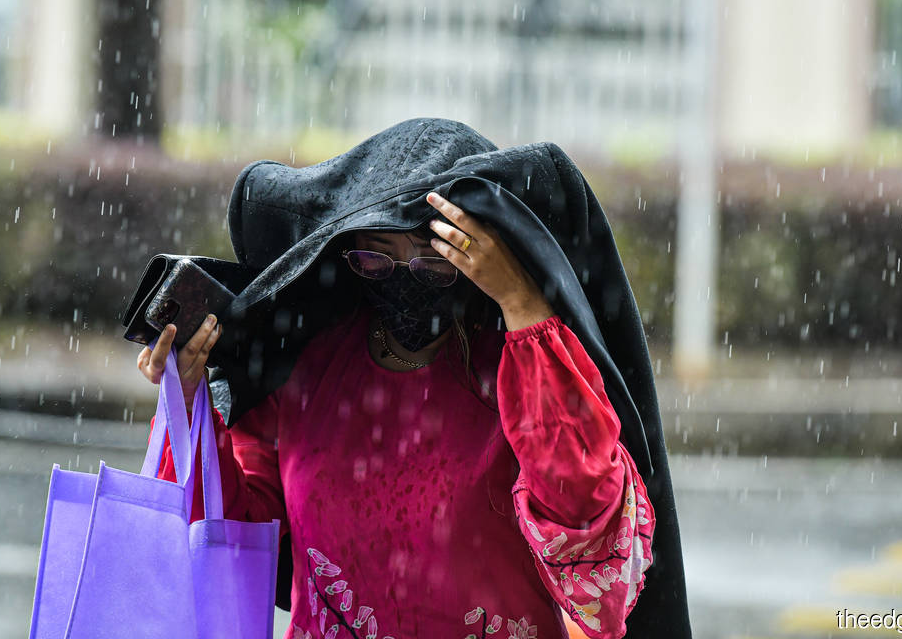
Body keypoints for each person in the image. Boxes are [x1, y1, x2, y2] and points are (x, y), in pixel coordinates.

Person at [137, 190, 655, 639]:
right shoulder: (306, 363)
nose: (405, 279)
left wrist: (521, 300)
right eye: (376, 259)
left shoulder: (521, 365)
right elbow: (230, 539)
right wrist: (185, 400)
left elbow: (585, 513)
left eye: (434, 261)